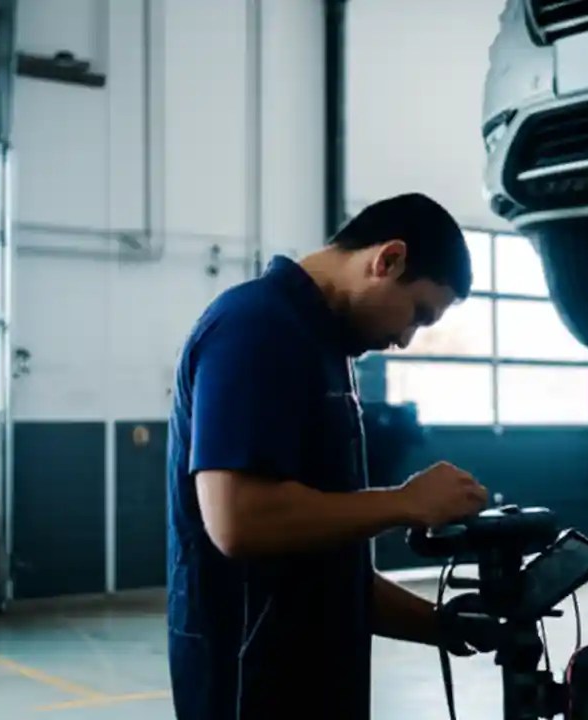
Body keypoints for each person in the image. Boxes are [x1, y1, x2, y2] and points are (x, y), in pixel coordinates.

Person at [166, 193, 495, 720]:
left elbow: (327, 567)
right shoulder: (255, 326)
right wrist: (404, 503)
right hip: (250, 687)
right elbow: (238, 521)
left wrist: (443, 625)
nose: (405, 340)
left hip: (309, 677)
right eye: (417, 313)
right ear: (387, 260)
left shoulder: (323, 350)